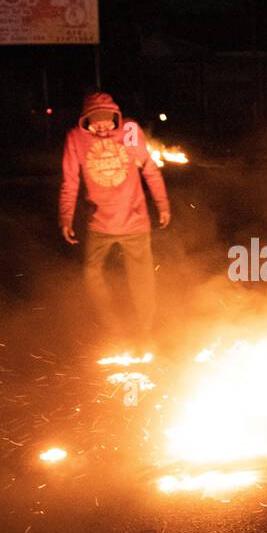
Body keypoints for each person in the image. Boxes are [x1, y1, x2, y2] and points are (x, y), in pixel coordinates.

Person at [60, 92, 171, 351]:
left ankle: (145, 332)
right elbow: (70, 181)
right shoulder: (75, 139)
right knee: (91, 274)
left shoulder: (130, 131)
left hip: (134, 221)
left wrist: (162, 204)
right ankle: (114, 329)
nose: (102, 126)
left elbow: (150, 169)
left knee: (142, 280)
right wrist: (65, 217)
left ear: (116, 118)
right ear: (85, 120)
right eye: (95, 121)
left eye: (107, 121)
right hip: (100, 224)